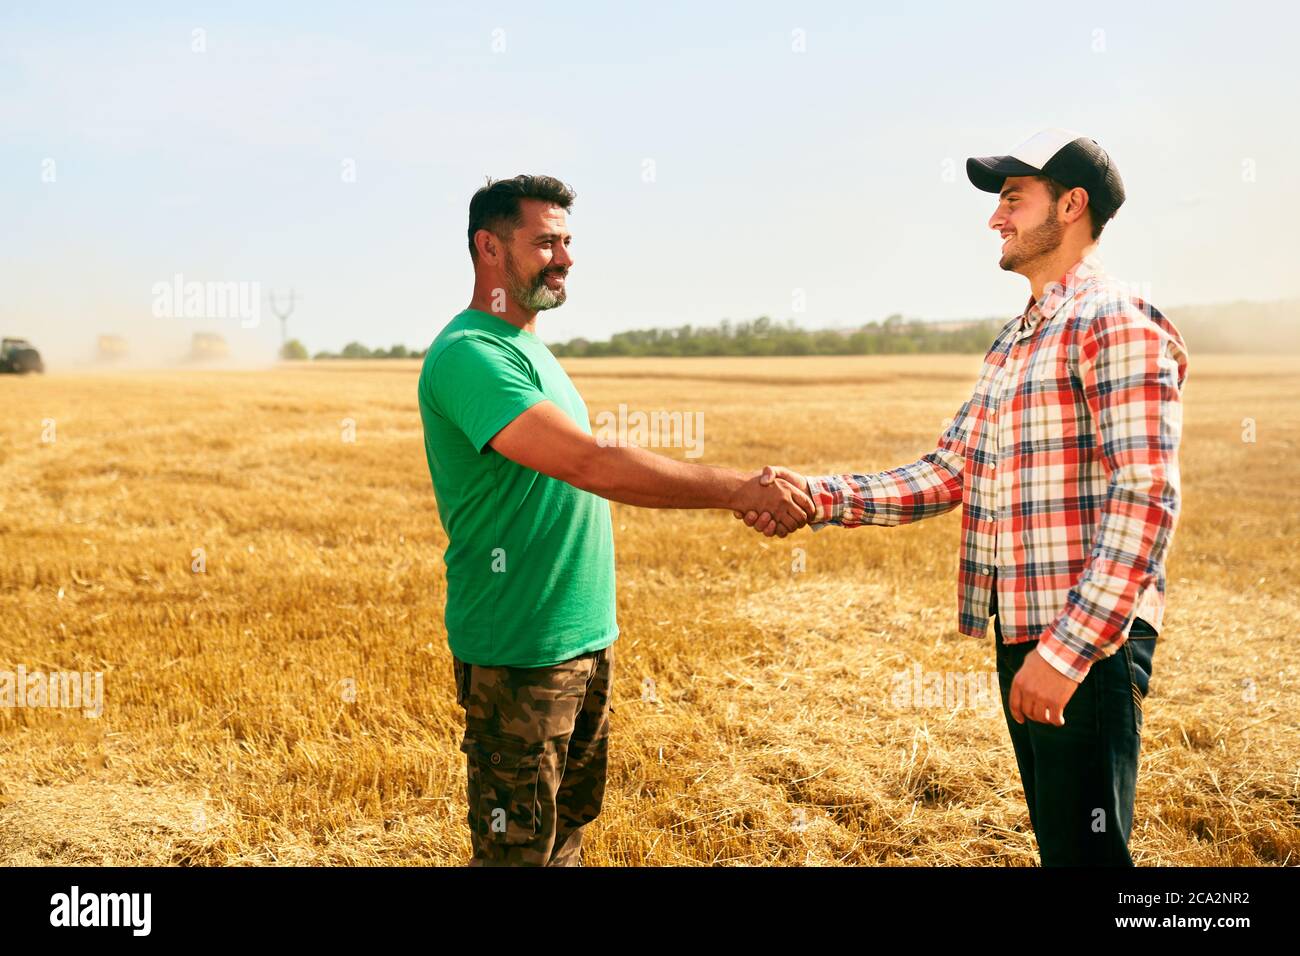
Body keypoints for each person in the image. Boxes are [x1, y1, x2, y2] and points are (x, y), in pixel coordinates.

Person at [738, 130, 1188, 866]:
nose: (995, 219)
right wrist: (816, 496)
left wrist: (1070, 653)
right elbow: (950, 469)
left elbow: (1145, 497)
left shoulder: (1114, 320)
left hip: (1086, 645)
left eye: (1014, 199)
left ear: (1071, 205)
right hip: (1026, 629)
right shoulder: (1018, 339)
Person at [418, 174, 814, 865]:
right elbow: (591, 463)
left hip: (582, 639)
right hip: (520, 650)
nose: (565, 257)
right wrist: (738, 488)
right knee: (515, 853)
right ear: (488, 247)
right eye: (545, 241)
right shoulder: (471, 355)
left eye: (568, 241)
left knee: (566, 833)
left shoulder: (527, 349)